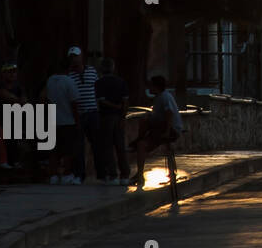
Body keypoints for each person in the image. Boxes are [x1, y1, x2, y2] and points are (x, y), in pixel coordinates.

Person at [130, 75, 183, 187]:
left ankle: (139, 174)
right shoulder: (161, 97)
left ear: (156, 87)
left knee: (141, 145)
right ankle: (139, 141)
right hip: (162, 128)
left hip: (169, 130)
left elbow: (169, 113)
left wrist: (167, 132)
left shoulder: (164, 97)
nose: (148, 88)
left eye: (150, 86)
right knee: (145, 121)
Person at [42, 61, 81, 184]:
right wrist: (77, 120)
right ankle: (66, 174)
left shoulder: (50, 81)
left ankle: (53, 175)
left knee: (53, 150)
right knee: (68, 150)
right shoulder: (70, 82)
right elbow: (74, 103)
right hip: (67, 121)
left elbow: (44, 98)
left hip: (52, 120)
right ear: (68, 68)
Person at [66, 47, 101, 183]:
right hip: (78, 114)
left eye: (76, 56)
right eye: (72, 57)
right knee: (78, 146)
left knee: (97, 144)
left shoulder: (92, 71)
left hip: (92, 112)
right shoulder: (69, 75)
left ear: (81, 57)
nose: (74, 59)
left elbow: (97, 88)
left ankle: (102, 174)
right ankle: (79, 174)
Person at [94, 57, 130, 186]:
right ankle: (125, 175)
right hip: (119, 117)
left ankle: (113, 175)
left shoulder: (99, 83)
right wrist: (123, 115)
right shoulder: (121, 82)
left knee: (108, 147)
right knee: (120, 147)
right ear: (113, 68)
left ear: (102, 69)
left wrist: (115, 107)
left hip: (106, 117)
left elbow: (101, 101)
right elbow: (125, 101)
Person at [0, 62, 26, 170]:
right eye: (9, 72)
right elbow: (7, 97)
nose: (12, 74)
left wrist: (19, 101)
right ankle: (0, 163)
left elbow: (25, 101)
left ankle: (14, 162)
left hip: (14, 120)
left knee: (15, 142)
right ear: (3, 73)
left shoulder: (18, 87)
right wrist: (18, 101)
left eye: (14, 72)